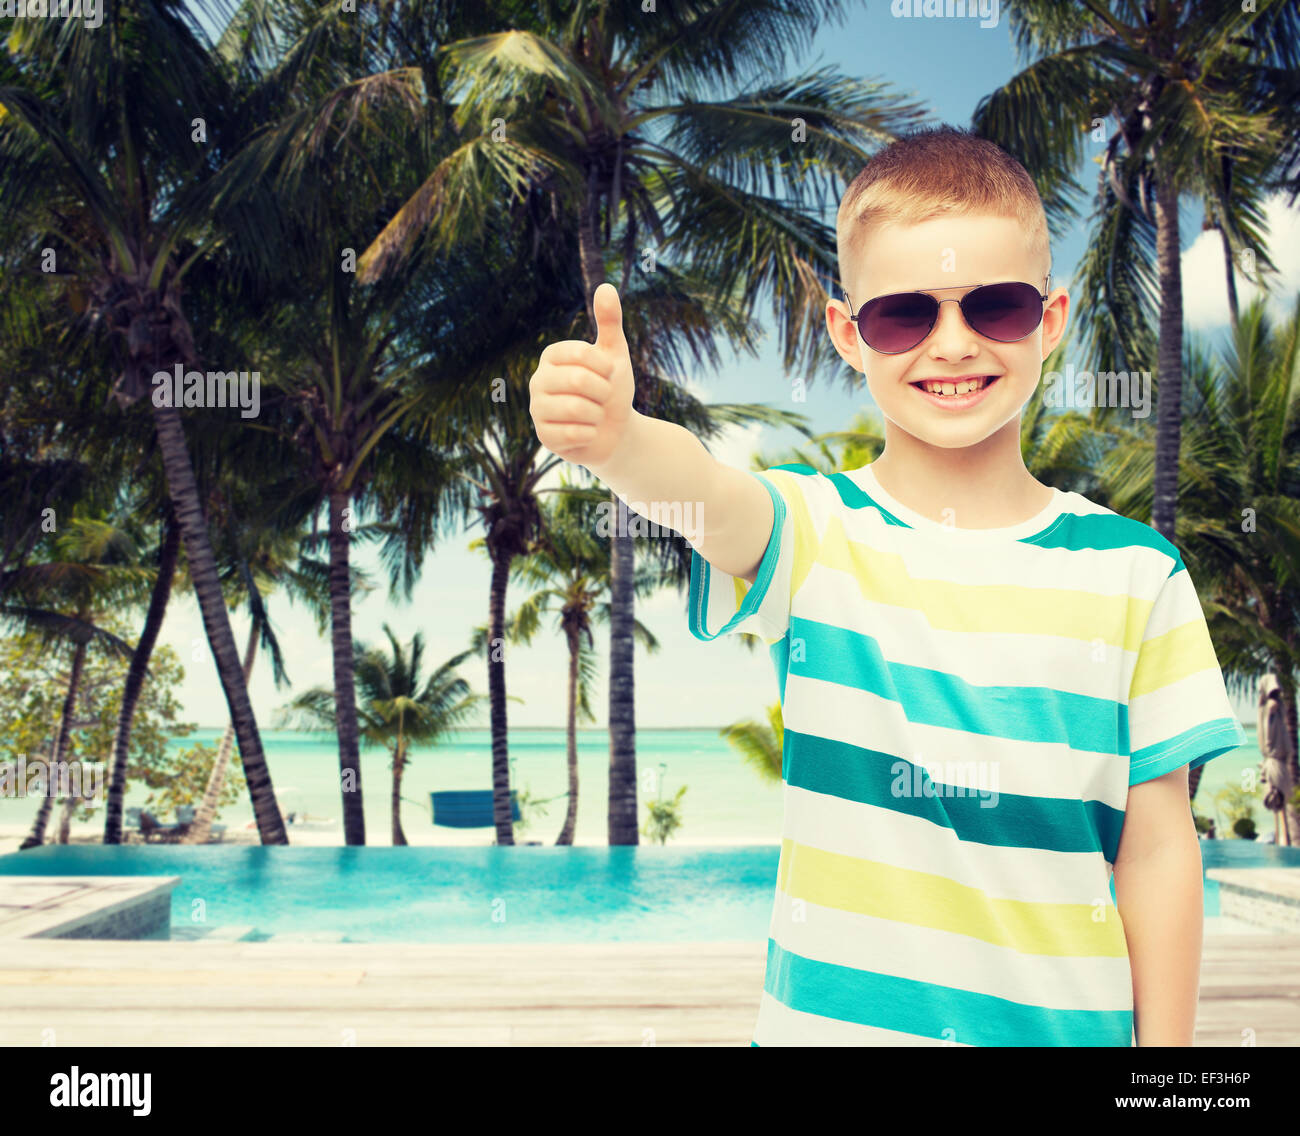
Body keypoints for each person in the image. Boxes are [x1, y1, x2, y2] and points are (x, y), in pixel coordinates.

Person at [528, 125, 1246, 1047]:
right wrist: (622, 442)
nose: (951, 345)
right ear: (847, 334)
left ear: (1052, 321)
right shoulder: (814, 536)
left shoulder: (1137, 575)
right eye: (905, 315)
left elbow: (1155, 855)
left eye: (995, 307)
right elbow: (706, 494)